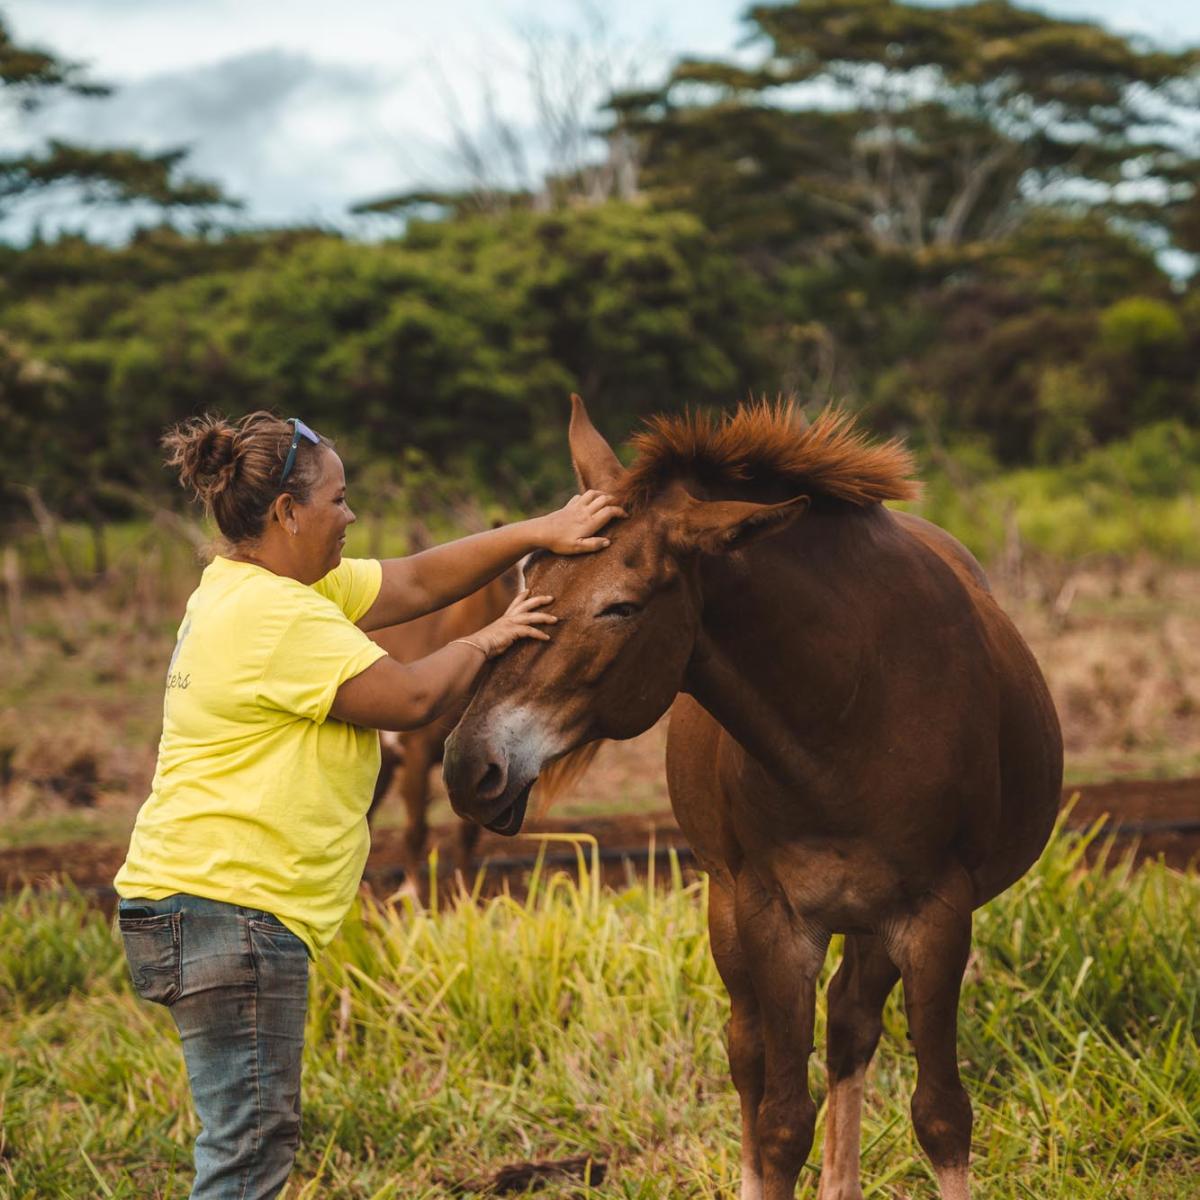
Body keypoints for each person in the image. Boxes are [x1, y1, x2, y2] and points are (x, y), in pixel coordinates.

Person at [113, 410, 625, 1200]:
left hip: (196, 906)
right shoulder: (277, 617)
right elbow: (410, 698)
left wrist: (542, 530)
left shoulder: (249, 588)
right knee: (247, 1153)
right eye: (339, 499)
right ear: (288, 512)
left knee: (245, 1137)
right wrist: (492, 638)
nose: (350, 516)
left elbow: (418, 580)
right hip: (229, 912)